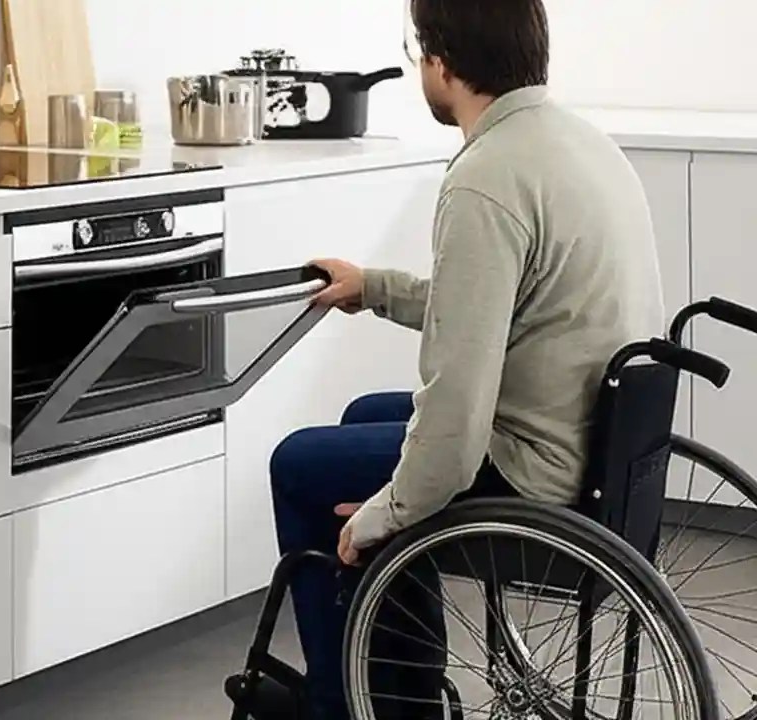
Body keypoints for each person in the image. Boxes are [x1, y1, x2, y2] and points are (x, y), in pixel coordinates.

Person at [262, 0, 666, 718]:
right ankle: (400, 688)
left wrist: (385, 512)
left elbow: (454, 420)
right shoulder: (578, 143)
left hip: (534, 472)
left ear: (441, 62)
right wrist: (374, 289)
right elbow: (500, 305)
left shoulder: (487, 176)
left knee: (299, 465)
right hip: (595, 447)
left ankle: (347, 703)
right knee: (366, 418)